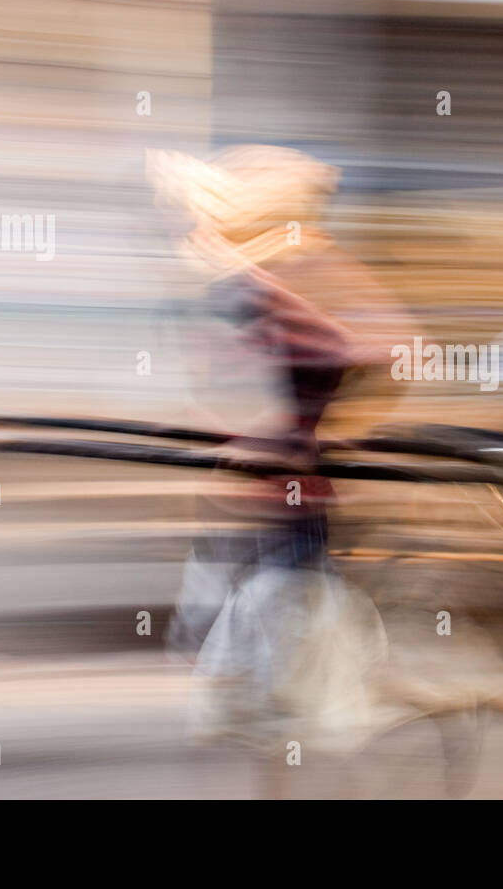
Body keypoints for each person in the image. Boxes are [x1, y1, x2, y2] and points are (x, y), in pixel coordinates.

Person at [148, 144, 402, 755]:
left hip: (286, 499)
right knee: (264, 662)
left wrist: (297, 429)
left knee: (282, 667)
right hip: (258, 497)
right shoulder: (251, 289)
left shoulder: (264, 289)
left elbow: (360, 357)